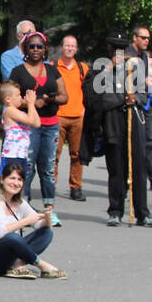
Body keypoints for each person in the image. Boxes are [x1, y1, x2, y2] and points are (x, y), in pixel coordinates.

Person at [85, 31, 152, 227]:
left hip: (134, 120)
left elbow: (144, 95)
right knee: (116, 168)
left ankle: (142, 213)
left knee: (139, 169)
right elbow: (97, 98)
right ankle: (115, 210)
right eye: (115, 48)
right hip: (113, 122)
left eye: (122, 48)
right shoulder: (102, 69)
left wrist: (136, 99)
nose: (119, 52)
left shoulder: (135, 68)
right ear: (109, 49)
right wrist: (121, 93)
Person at [0, 162, 66, 279]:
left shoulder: (19, 202)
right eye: (12, 178)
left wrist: (47, 217)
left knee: (46, 232)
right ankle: (42, 265)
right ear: (2, 179)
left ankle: (16, 265)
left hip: (8, 255)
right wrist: (25, 221)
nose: (16, 183)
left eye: (20, 180)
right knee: (12, 238)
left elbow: (39, 226)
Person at [7, 31, 65, 226]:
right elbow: (11, 98)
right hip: (27, 125)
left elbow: (65, 96)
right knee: (28, 167)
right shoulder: (18, 71)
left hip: (50, 124)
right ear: (25, 48)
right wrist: (30, 102)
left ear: (45, 49)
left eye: (39, 46)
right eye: (31, 46)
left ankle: (49, 210)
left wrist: (48, 98)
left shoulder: (52, 71)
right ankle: (25, 209)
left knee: (48, 169)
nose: (35, 50)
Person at [53, 35, 89, 201]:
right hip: (58, 116)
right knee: (55, 154)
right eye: (67, 45)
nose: (69, 48)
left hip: (77, 116)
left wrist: (84, 109)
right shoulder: (53, 67)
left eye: (72, 46)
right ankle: (50, 185)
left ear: (76, 49)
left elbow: (88, 91)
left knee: (77, 154)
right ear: (61, 47)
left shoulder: (82, 68)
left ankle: (76, 187)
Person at [131, 25, 152, 190]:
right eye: (143, 38)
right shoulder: (126, 54)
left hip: (146, 103)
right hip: (132, 104)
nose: (146, 41)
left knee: (151, 142)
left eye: (148, 38)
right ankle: (131, 178)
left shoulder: (145, 56)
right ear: (135, 38)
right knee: (134, 144)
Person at [0, 82, 39, 177]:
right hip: (11, 155)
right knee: (8, 182)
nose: (21, 97)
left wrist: (31, 105)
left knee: (18, 183)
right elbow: (30, 120)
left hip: (21, 154)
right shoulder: (9, 110)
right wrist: (31, 103)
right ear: (8, 99)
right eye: (18, 95)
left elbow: (36, 123)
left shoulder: (21, 113)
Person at [0, 20, 35, 85]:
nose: (29, 37)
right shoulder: (8, 57)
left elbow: (49, 77)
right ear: (18, 36)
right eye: (26, 34)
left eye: (33, 34)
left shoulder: (41, 55)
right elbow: (12, 81)